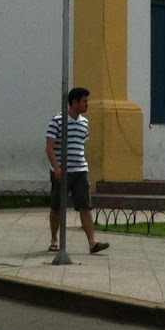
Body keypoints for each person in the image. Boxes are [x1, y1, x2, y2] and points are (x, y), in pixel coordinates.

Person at [45, 86, 107, 255]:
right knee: (57, 206)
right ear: (74, 102)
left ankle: (92, 242)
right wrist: (56, 167)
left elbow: (81, 144)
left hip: (80, 169)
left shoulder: (84, 123)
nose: (87, 104)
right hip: (62, 171)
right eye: (84, 101)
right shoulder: (57, 121)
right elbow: (49, 147)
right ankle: (54, 239)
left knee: (85, 206)